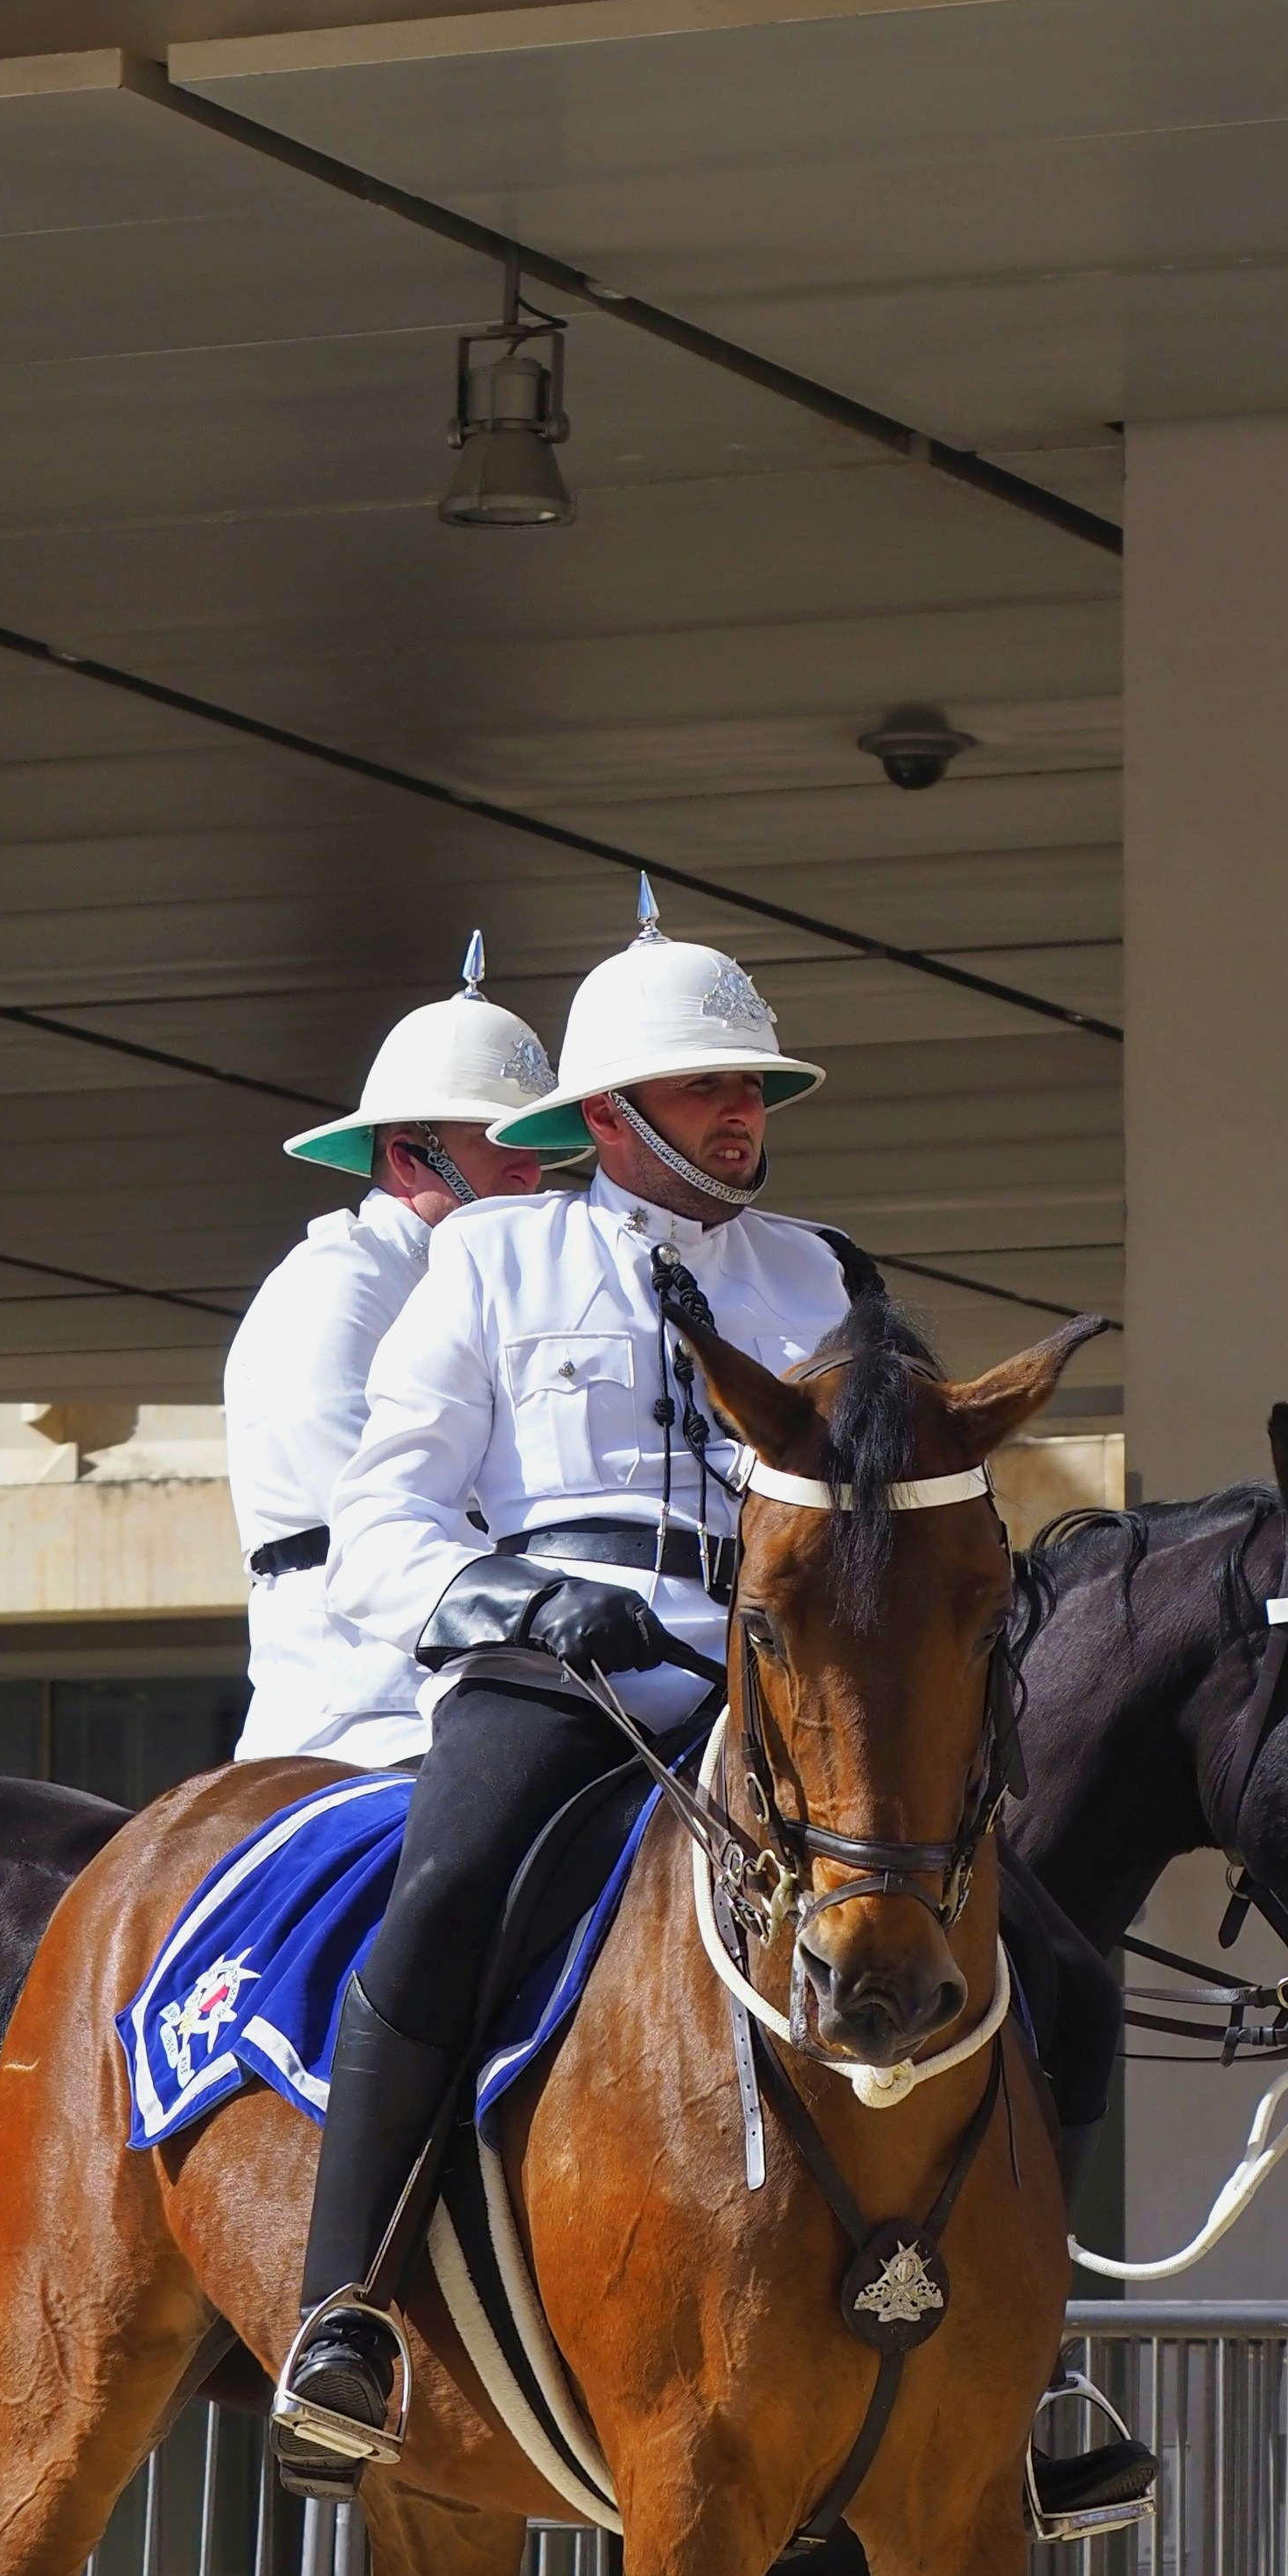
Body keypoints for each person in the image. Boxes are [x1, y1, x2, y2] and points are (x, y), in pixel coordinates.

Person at [272, 892, 854, 2476]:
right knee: (446, 1884)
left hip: (770, 1682)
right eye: (707, 1086)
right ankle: (345, 2315)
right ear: (604, 1113)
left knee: (1029, 1916)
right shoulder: (489, 1261)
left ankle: (1022, 2371)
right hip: (554, 1674)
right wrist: (508, 1599)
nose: (745, 1110)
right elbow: (381, 1522)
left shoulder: (823, 1278)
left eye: (753, 1087)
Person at [224, 942, 550, 1769]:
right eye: (504, 1145)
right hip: (361, 1707)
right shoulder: (337, 1282)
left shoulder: (487, 1285)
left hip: (483, 1674)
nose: (535, 1171)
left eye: (535, 1144)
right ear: (408, 1158)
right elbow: (370, 1501)